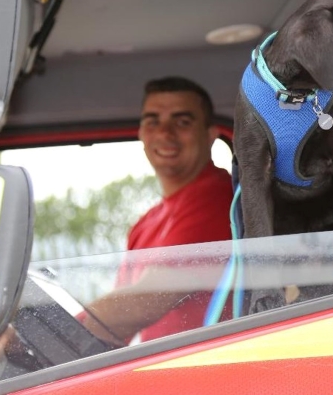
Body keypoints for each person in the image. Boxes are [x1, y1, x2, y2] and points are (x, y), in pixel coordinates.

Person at [82, 77, 234, 344]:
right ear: (141, 133)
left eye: (182, 122)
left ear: (211, 135)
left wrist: (44, 335)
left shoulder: (219, 199)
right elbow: (118, 322)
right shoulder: (145, 224)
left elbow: (145, 301)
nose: (165, 133)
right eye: (153, 121)